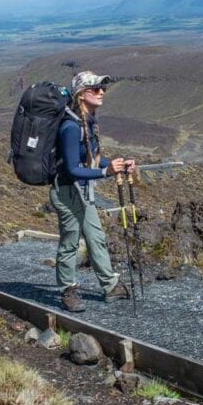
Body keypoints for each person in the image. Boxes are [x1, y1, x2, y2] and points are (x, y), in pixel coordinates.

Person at [50, 70, 135, 313]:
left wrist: (115, 164)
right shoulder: (70, 127)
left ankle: (110, 286)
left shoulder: (88, 122)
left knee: (96, 237)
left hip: (81, 192)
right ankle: (68, 290)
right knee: (70, 242)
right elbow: (72, 169)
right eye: (95, 89)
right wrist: (105, 173)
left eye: (102, 88)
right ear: (80, 94)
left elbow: (91, 159)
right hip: (67, 192)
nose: (101, 92)